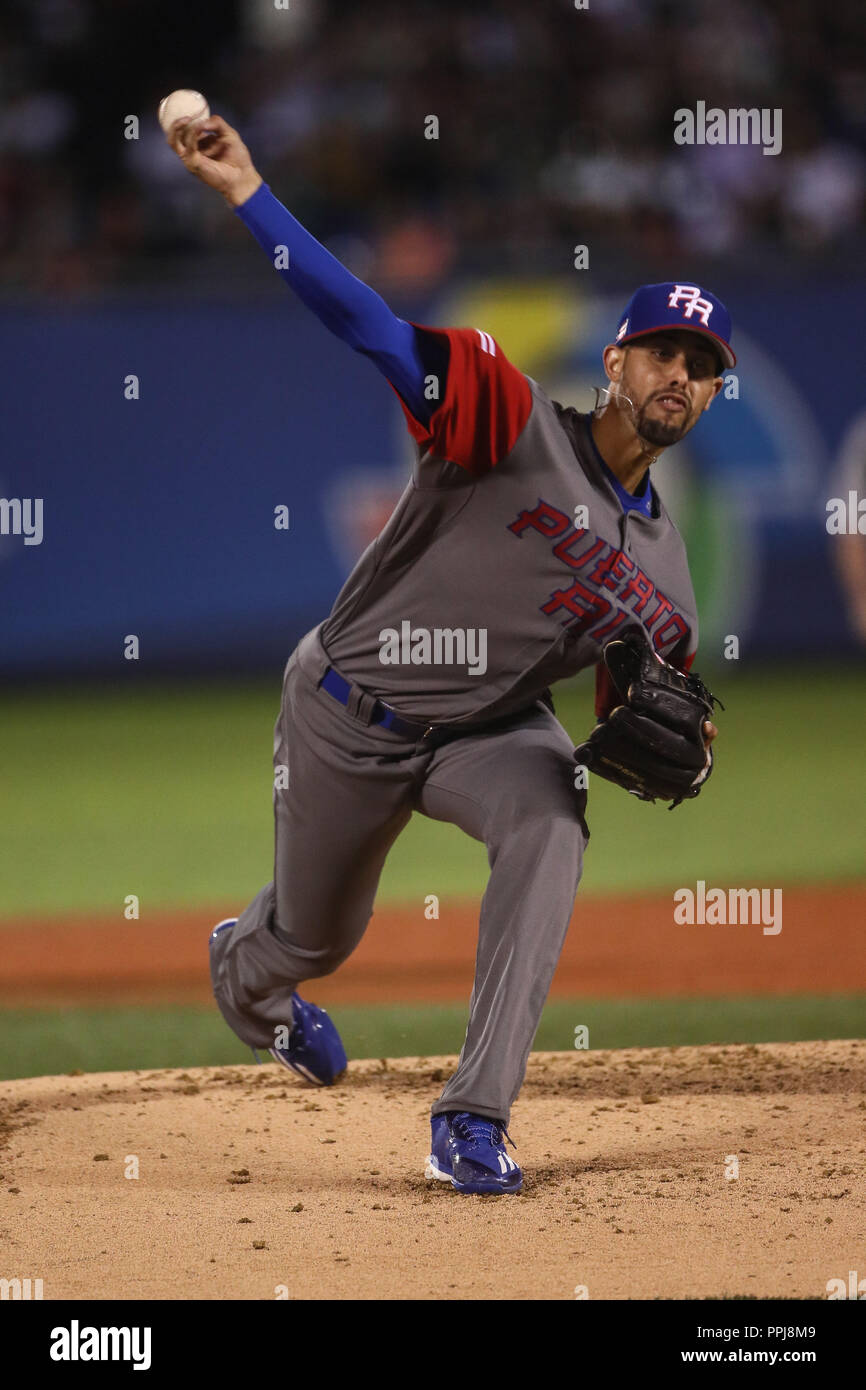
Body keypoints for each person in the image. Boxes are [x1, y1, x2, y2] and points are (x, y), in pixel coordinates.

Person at [168, 113, 726, 1196]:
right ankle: (248, 978)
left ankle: (472, 1115)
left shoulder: (667, 579)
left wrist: (690, 747)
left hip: (488, 731)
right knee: (314, 939)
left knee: (553, 818)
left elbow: (643, 712)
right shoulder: (500, 415)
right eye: (662, 349)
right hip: (346, 708)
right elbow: (368, 325)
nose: (678, 373)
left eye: (701, 366)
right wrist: (249, 196)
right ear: (614, 360)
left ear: (709, 394)